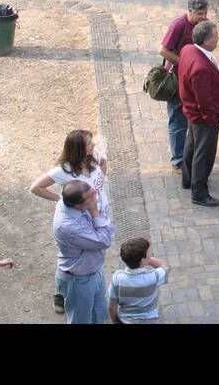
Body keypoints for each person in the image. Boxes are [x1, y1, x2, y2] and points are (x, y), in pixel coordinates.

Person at [28, 129, 111, 314]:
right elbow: (36, 187)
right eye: (89, 144)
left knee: (91, 254)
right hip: (82, 218)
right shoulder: (63, 170)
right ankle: (62, 292)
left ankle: (89, 283)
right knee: (74, 256)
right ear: (78, 149)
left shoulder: (94, 158)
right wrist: (61, 199)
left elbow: (103, 163)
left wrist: (100, 182)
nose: (93, 145)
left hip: (98, 212)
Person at [178, 20, 219, 207]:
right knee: (203, 153)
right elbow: (204, 100)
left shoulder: (188, 49)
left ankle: (188, 179)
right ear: (206, 42)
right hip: (202, 117)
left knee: (191, 146)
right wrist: (211, 118)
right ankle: (199, 192)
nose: (218, 40)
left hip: (191, 112)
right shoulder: (201, 68)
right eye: (216, 37)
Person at [158, 0, 210, 171]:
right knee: (178, 122)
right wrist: (186, 63)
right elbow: (163, 50)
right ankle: (178, 160)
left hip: (193, 82)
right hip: (177, 82)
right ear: (190, 11)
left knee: (193, 120)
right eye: (200, 14)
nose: (204, 17)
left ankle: (189, 153)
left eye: (205, 13)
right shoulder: (179, 26)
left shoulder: (202, 25)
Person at [53, 180, 114, 324]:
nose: (95, 198)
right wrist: (94, 212)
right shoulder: (68, 226)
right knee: (81, 320)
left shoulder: (70, 202)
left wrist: (97, 220)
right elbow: (105, 240)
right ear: (78, 205)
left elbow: (104, 224)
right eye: (91, 197)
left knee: (99, 313)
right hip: (79, 280)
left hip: (93, 270)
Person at [107, 237, 170, 324]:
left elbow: (112, 306)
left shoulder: (117, 278)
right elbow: (166, 267)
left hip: (125, 320)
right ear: (142, 260)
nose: (149, 253)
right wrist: (148, 260)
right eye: (147, 253)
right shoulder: (152, 277)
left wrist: (115, 321)